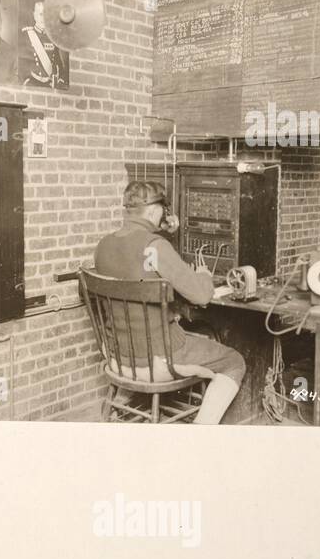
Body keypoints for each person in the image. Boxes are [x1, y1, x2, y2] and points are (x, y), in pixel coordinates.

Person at [92, 181, 246, 424]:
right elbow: (202, 296)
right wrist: (204, 276)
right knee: (234, 362)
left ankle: (121, 408)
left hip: (117, 357)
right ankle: (200, 433)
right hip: (158, 361)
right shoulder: (155, 246)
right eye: (163, 209)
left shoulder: (103, 245)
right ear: (154, 211)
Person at [21, 0, 67, 88]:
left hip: (51, 84)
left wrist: (60, 79)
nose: (43, 19)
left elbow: (58, 62)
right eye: (41, 14)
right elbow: (22, 63)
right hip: (33, 83)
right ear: (34, 15)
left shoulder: (52, 37)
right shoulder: (27, 35)